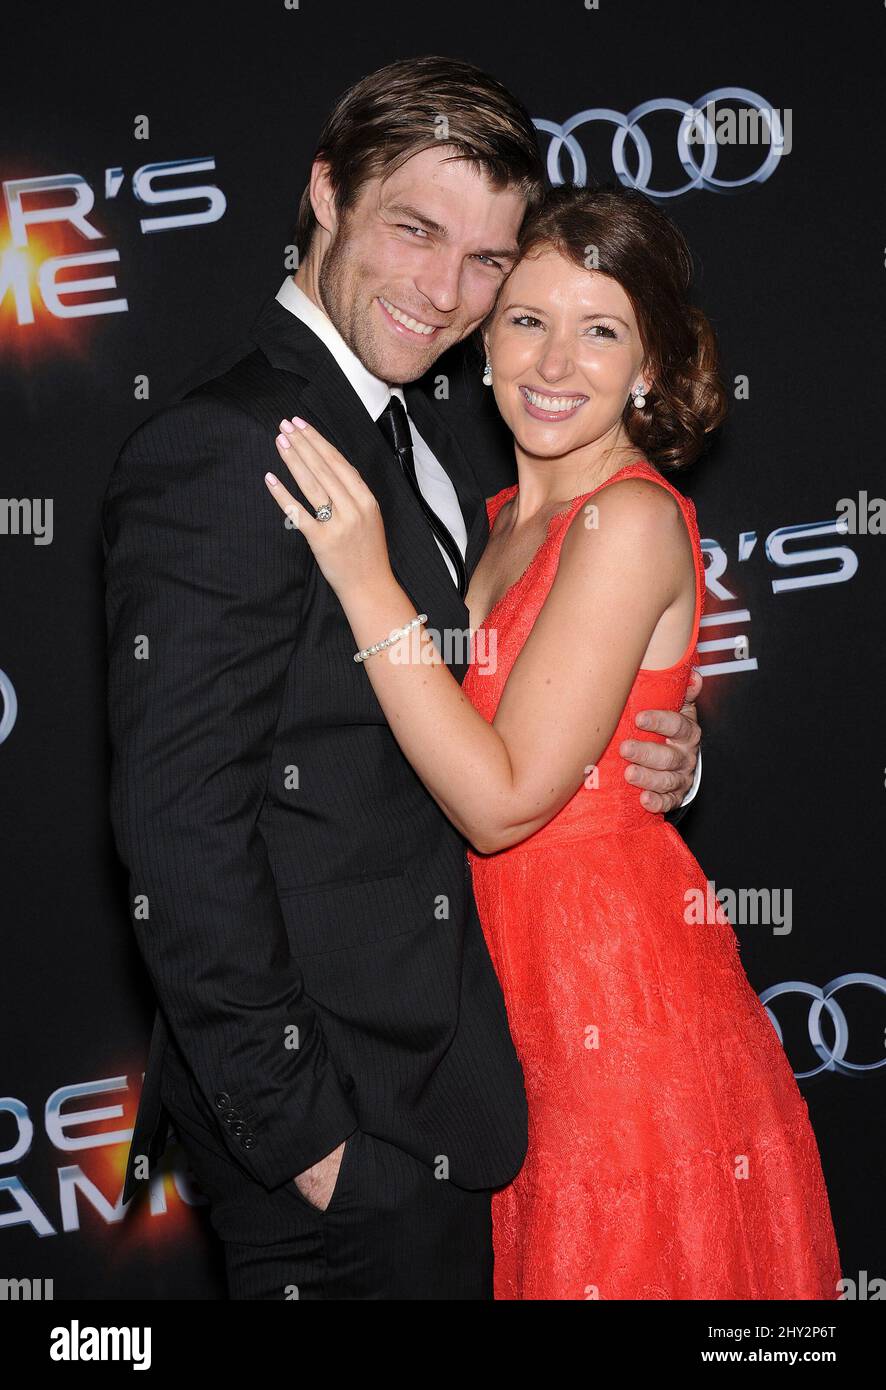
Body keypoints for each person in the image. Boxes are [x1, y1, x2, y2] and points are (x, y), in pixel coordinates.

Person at [102, 58, 700, 1301]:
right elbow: (177, 829)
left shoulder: (422, 444)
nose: (447, 291)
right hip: (340, 1130)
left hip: (470, 1083)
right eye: (415, 231)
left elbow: (476, 713)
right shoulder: (228, 444)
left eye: (489, 263)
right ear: (325, 194)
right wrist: (308, 1143)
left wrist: (644, 735)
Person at [264, 182, 842, 1300]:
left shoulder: (627, 518)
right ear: (483, 341)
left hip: (616, 1015)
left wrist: (363, 578)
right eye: (526, 320)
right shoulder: (481, 520)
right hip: (495, 1004)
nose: (554, 363)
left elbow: (500, 798)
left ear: (651, 367)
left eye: (601, 331)